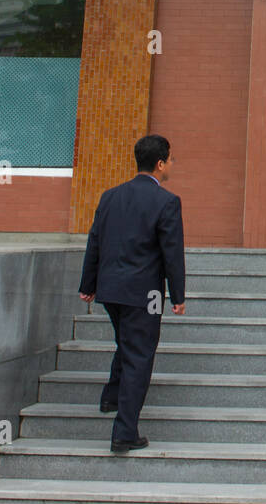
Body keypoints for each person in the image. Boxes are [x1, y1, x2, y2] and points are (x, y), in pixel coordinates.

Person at [78, 134, 185, 454]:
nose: (171, 165)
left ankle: (111, 396)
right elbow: (172, 253)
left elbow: (94, 241)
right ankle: (124, 431)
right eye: (170, 160)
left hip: (110, 290)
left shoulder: (110, 196)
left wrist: (88, 285)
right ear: (161, 163)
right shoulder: (167, 201)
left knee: (127, 342)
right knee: (140, 355)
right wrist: (178, 295)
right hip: (144, 295)